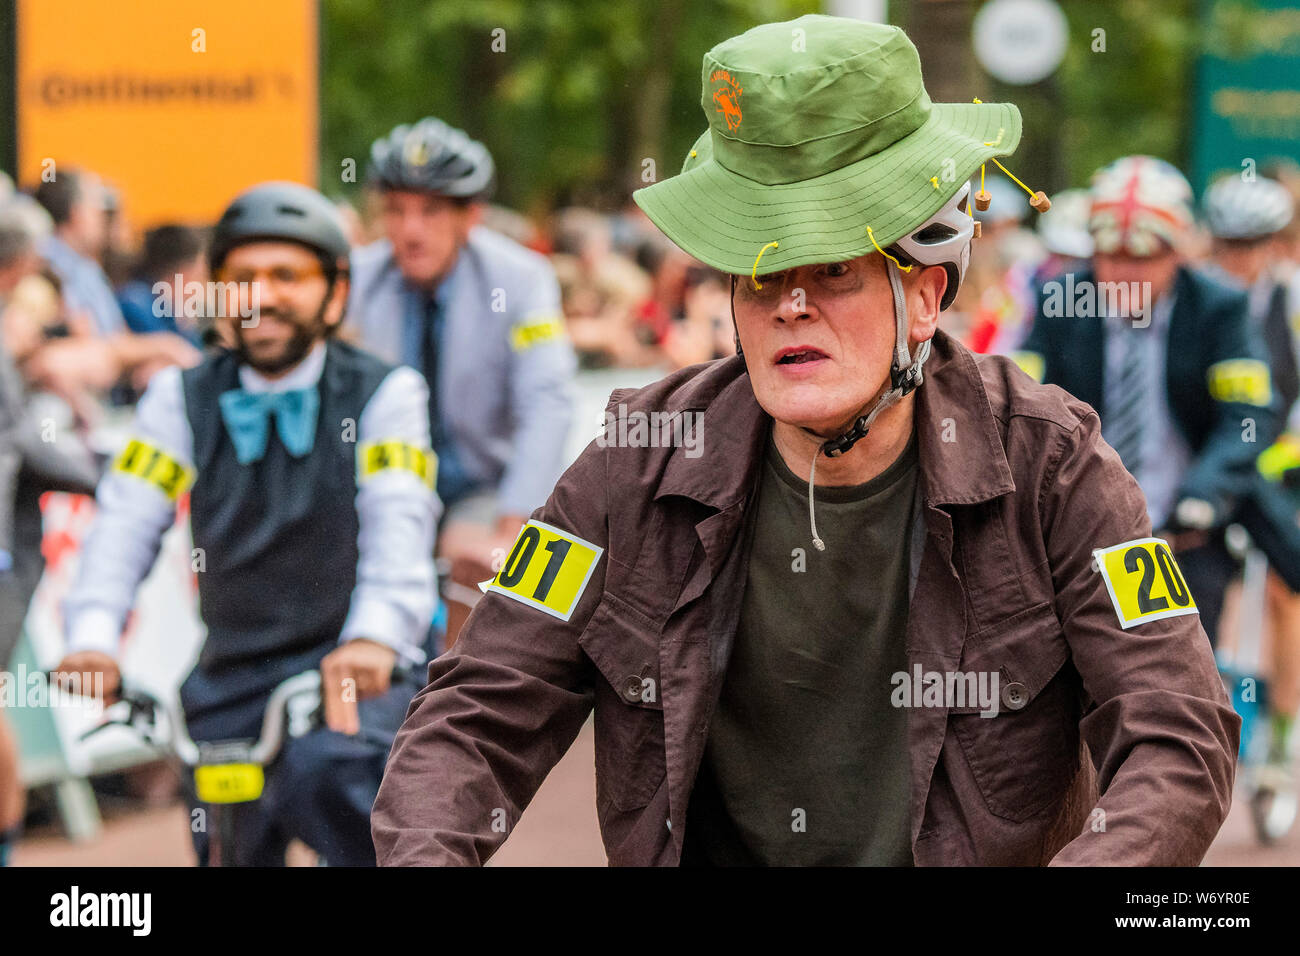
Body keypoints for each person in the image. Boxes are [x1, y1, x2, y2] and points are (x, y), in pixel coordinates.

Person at [371, 16, 1238, 866]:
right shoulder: (637, 458)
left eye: (834, 271)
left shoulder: (1052, 466)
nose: (791, 305)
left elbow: (1175, 736)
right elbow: (476, 714)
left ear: (927, 297)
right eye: (761, 275)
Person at [52, 182, 439, 866]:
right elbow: (125, 519)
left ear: (334, 291)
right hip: (230, 677)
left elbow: (398, 523)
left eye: (287, 276)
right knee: (223, 843)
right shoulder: (180, 396)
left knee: (340, 786)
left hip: (348, 673)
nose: (261, 295)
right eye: (242, 278)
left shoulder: (385, 393)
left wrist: (375, 638)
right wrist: (92, 638)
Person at [1019, 157, 1300, 651]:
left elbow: (1248, 417)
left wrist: (1201, 496)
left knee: (1181, 678)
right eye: (1111, 256)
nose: (1125, 272)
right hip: (1077, 528)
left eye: (1144, 258)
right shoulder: (1060, 299)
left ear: (1179, 253)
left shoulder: (1219, 306)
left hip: (1185, 529)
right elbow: (1023, 405)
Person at [348, 117, 577, 648]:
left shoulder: (522, 279)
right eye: (397, 211)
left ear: (470, 216)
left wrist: (513, 522)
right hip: (378, 485)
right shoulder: (352, 279)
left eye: (429, 211)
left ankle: (483, 713)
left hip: (487, 486)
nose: (410, 230)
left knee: (523, 579)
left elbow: (547, 403)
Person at [1203, 174, 1300, 784]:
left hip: (1281, 468)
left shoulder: (1290, 302)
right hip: (1214, 469)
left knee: (1284, 591)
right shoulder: (1199, 298)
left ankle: (1284, 733)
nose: (1239, 258)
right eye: (1229, 244)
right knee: (1204, 588)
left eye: (1253, 244)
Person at [117, 224, 208, 346]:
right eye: (199, 276)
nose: (202, 286)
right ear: (184, 273)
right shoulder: (137, 301)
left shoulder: (164, 306)